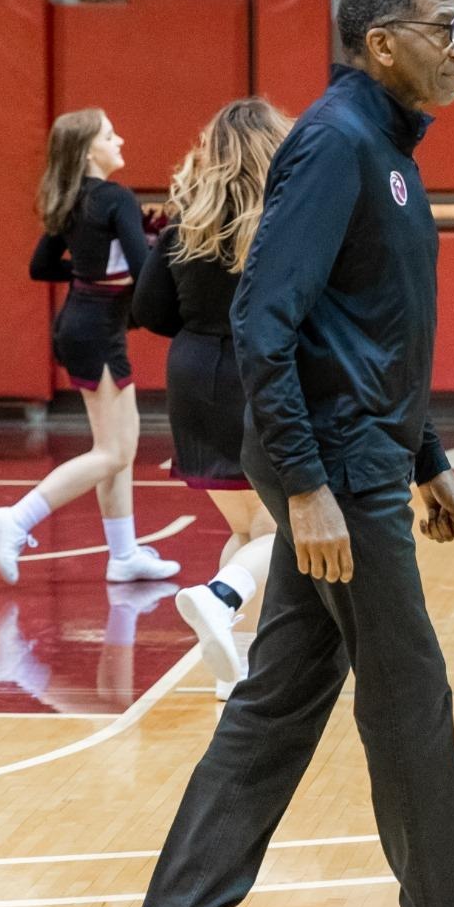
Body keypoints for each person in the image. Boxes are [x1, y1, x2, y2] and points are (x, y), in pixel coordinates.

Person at [133, 0, 454, 907]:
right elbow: (265, 318)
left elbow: (372, 331)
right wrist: (305, 487)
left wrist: (425, 454)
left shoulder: (385, 146)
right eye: (446, 26)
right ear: (382, 43)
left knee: (284, 689)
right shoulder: (336, 142)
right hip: (334, 471)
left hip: (364, 457)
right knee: (410, 692)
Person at [133, 99, 292, 700]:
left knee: (248, 529)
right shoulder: (287, 219)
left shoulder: (187, 223)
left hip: (195, 377)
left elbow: (148, 310)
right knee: (287, 530)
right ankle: (221, 598)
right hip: (261, 374)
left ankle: (233, 665)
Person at [0, 109, 180, 588]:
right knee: (113, 451)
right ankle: (17, 517)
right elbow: (144, 270)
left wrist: (93, 273)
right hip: (97, 331)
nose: (120, 140)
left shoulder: (70, 198)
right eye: (110, 135)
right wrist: (169, 248)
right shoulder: (115, 198)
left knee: (120, 447)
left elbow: (41, 266)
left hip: (83, 324)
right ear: (90, 149)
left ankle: (124, 555)